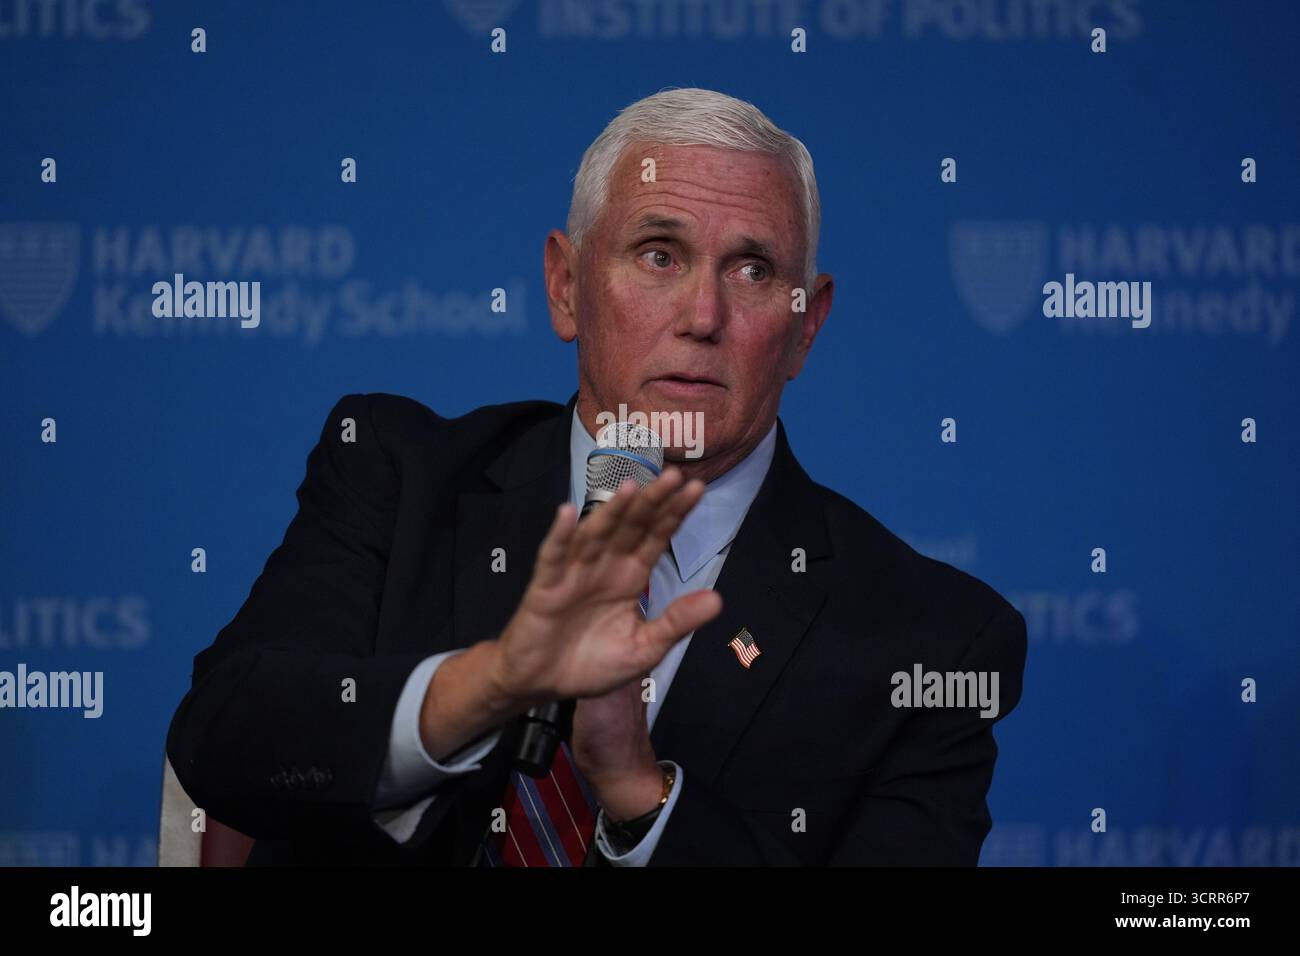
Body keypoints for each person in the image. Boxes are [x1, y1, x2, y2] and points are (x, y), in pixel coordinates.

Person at [166, 87, 1026, 866]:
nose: (702, 316)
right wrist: (491, 683)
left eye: (754, 270)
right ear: (566, 286)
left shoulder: (930, 641)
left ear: (806, 327)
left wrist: (634, 793)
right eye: (659, 254)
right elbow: (225, 738)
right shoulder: (399, 472)